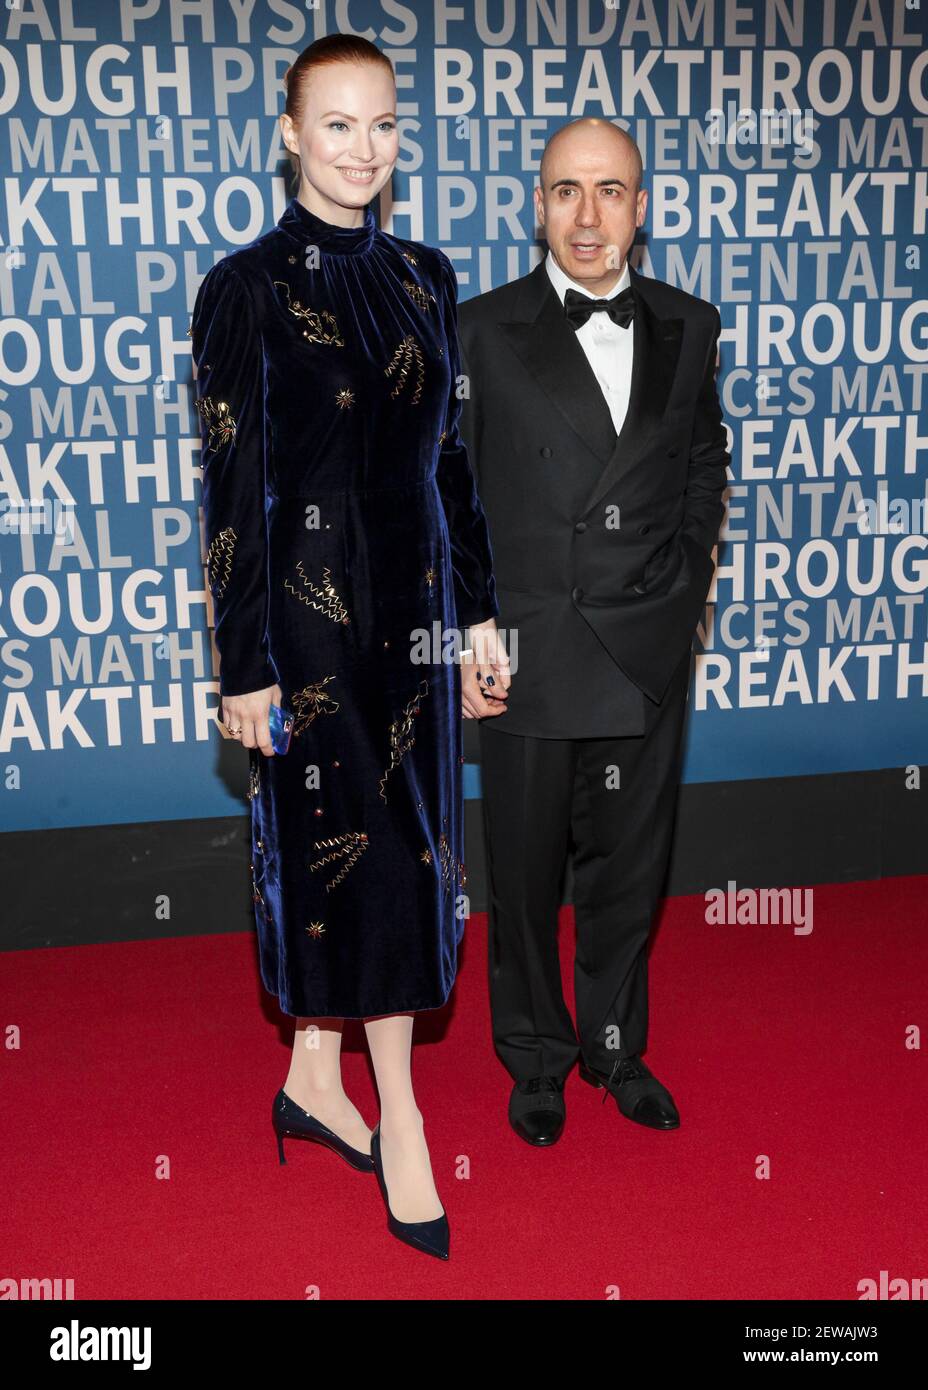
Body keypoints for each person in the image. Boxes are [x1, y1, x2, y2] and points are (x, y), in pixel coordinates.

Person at [190, 34, 509, 1259]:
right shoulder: (246, 288)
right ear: (288, 132)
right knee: (354, 865)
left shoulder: (427, 275)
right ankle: (404, 1115)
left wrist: (480, 617)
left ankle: (314, 1079)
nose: (363, 149)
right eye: (337, 125)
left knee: (413, 856)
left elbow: (454, 466)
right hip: (311, 632)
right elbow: (234, 491)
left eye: (382, 125)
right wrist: (243, 665)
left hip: (418, 619)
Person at [458, 118, 729, 1145]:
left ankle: (616, 1048)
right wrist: (471, 625)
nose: (586, 216)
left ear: (641, 207)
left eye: (609, 191)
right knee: (522, 877)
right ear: (536, 203)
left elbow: (704, 460)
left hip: (644, 647)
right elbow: (448, 493)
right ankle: (536, 1058)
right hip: (527, 649)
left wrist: (690, 575)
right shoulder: (480, 328)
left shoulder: (690, 324)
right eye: (565, 191)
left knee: (628, 871)